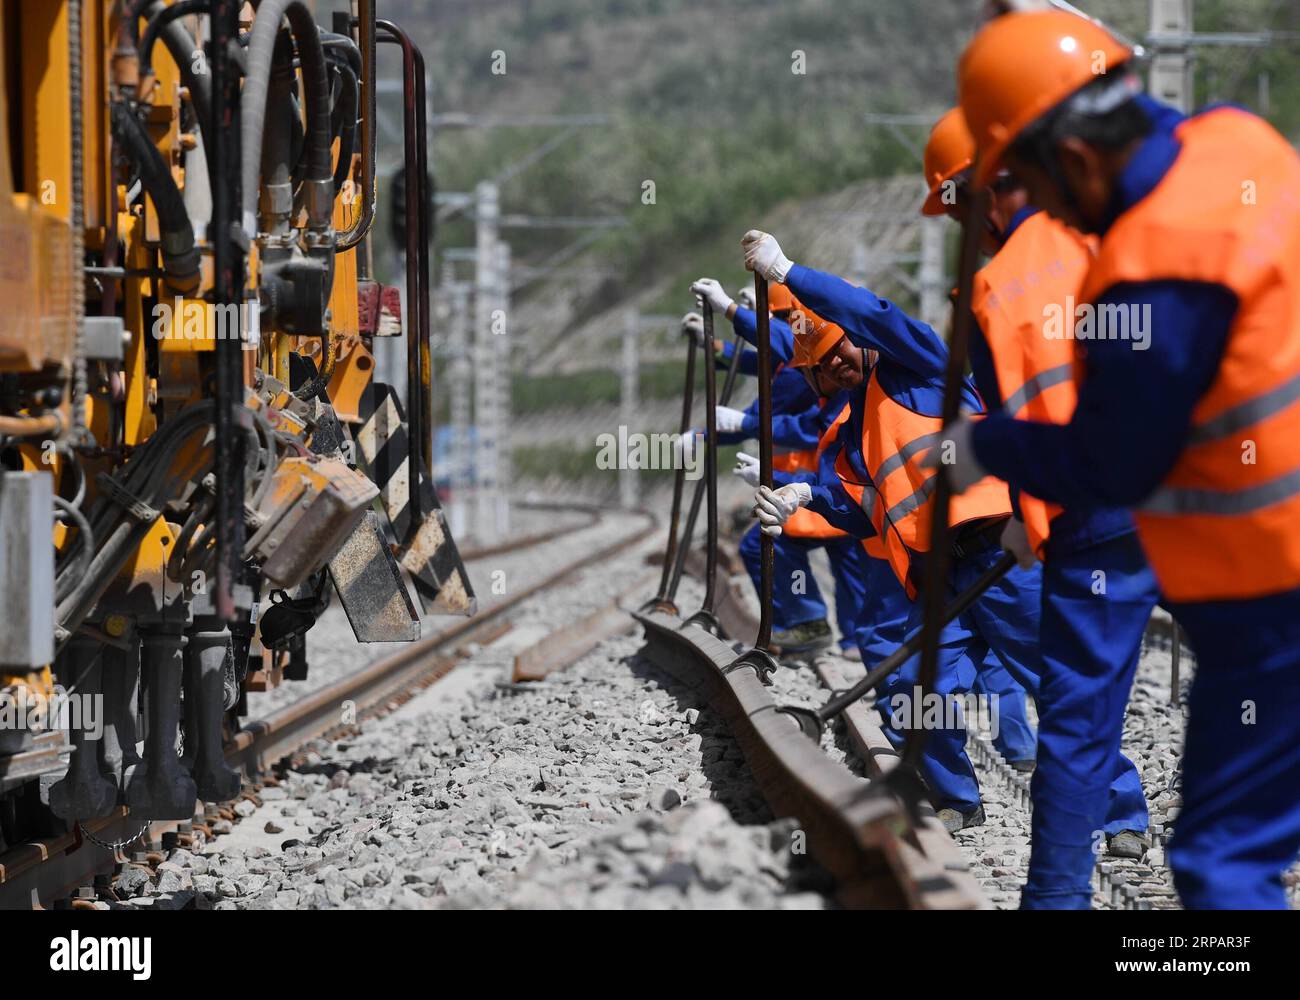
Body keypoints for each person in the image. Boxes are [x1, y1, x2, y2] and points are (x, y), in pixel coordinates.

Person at [950, 7, 1300, 908]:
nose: (1054, 218)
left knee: (1223, 864)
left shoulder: (1150, 267)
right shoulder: (1240, 141)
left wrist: (981, 446)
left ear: (1069, 160)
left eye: (1040, 189)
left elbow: (1112, 465)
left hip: (1272, 590)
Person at [922, 105, 1154, 905]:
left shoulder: (988, 287)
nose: (962, 226)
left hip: (1091, 522)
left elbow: (1019, 420)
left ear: (985, 189)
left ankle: (1058, 897)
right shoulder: (1117, 225)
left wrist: (1021, 507)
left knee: (1076, 715)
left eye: (955, 207)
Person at [745, 271, 1039, 832]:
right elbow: (862, 508)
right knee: (910, 686)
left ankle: (1119, 813)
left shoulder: (919, 367)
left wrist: (790, 275)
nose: (835, 363)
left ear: (859, 338)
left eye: (839, 347)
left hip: (1003, 552)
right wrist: (806, 498)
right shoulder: (856, 435)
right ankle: (958, 798)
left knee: (1059, 678)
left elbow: (875, 312)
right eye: (821, 363)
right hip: (942, 575)